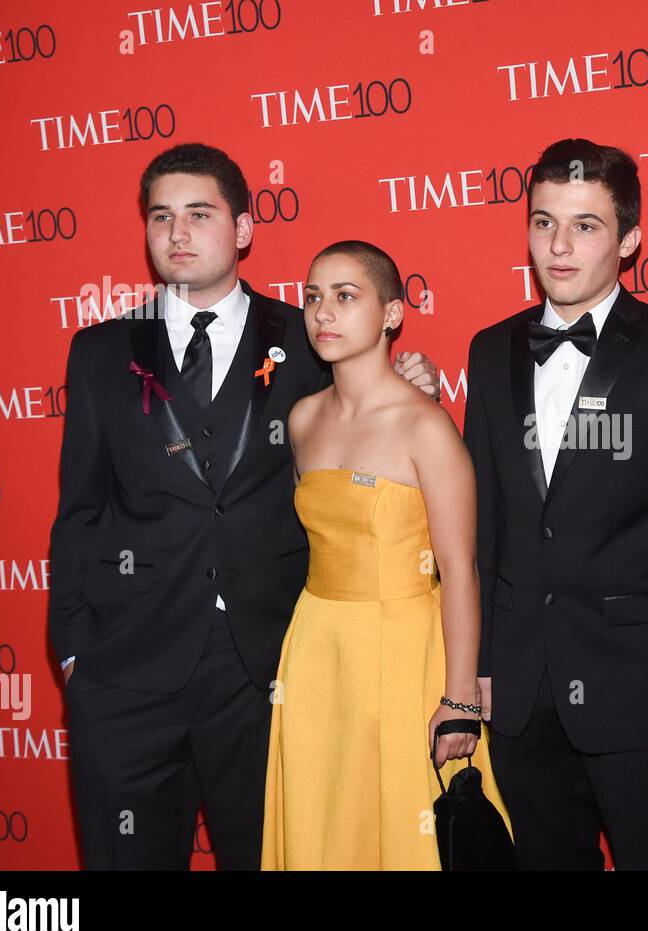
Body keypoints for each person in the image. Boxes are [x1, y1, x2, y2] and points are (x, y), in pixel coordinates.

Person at [48, 143, 439, 870]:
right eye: (161, 217)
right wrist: (74, 652)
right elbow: (80, 510)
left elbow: (379, 424)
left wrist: (417, 377)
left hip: (268, 669)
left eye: (199, 214)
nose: (178, 233)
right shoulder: (101, 351)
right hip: (125, 670)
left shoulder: (309, 334)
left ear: (245, 227)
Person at [463, 138, 648, 869]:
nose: (558, 245)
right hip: (520, 691)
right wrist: (480, 665)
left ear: (630, 238)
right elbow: (485, 525)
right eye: (543, 221)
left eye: (585, 225)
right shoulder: (490, 352)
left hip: (640, 694)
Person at [260, 241, 509, 869]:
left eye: (346, 297)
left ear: (393, 313)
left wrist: (459, 700)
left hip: (406, 650)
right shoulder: (302, 419)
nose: (324, 313)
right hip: (317, 650)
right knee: (327, 824)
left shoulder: (425, 425)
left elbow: (460, 572)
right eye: (313, 297)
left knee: (404, 829)